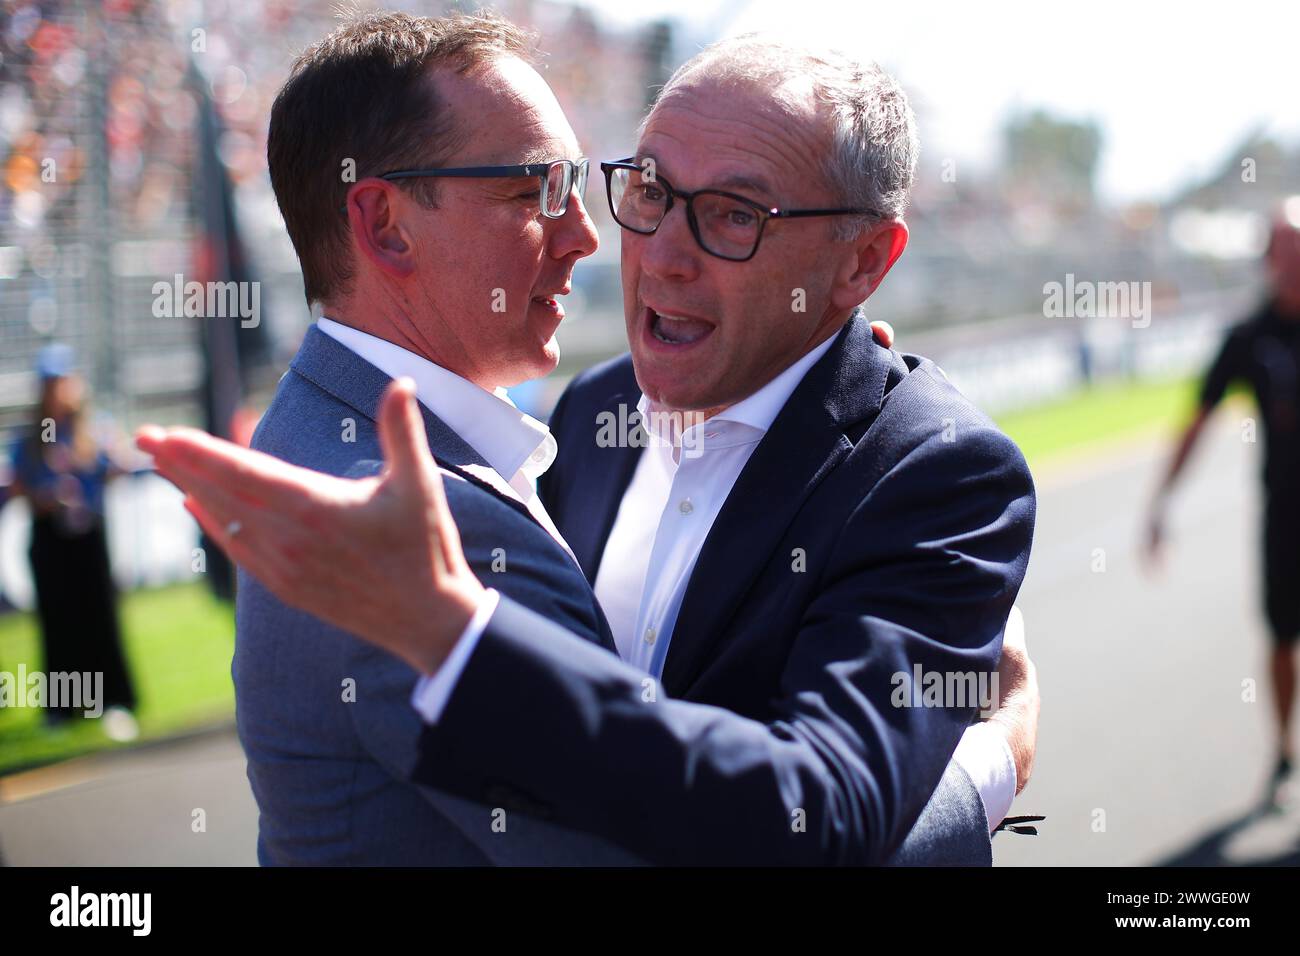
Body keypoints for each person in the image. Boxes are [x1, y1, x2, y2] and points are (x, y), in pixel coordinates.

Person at [140, 14, 1037, 865]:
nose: (621, 243)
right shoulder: (485, 487)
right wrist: (988, 769)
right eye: (643, 188)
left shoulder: (929, 469)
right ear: (382, 222)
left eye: (733, 214)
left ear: (861, 264)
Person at [1146, 202, 1300, 806]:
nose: (1293, 262)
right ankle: (1284, 748)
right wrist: (1162, 503)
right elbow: (1198, 420)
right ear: (1266, 259)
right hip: (1284, 516)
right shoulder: (1249, 337)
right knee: (1282, 636)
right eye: (1283, 250)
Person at [8, 344, 138, 740]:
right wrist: (44, 497)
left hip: (88, 536)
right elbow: (18, 485)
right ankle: (62, 709)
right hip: (50, 538)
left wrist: (114, 461)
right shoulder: (31, 437)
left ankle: (112, 701)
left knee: (99, 617)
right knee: (58, 623)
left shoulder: (93, 429)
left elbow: (117, 468)